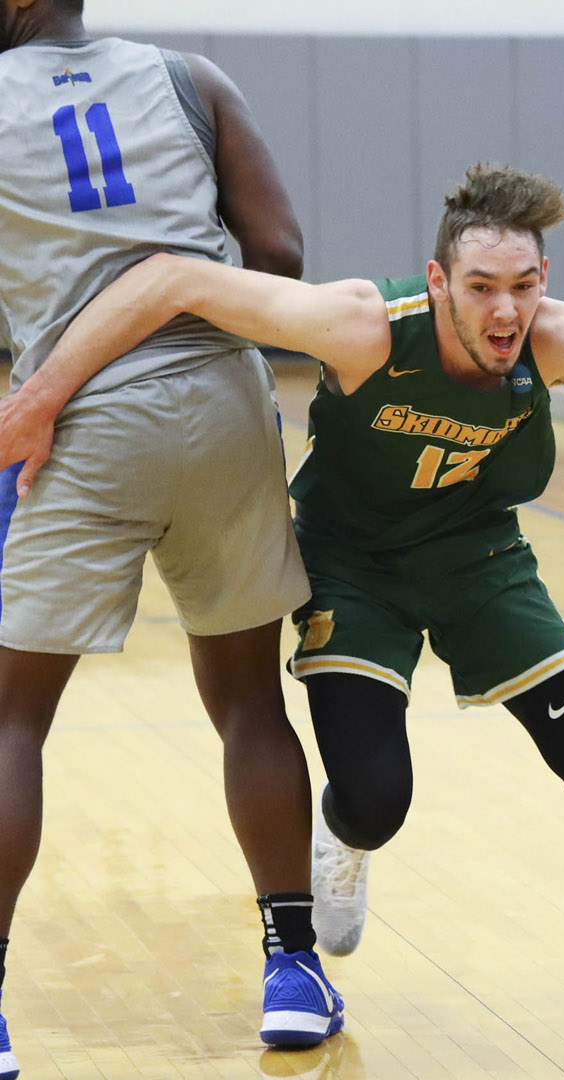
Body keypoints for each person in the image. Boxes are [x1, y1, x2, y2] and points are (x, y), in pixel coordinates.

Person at [6, 164, 564, 1018]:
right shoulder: (363, 326)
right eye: (481, 288)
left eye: (523, 285)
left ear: (545, 279)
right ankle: (344, 840)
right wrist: (40, 397)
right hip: (352, 566)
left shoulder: (560, 336)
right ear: (439, 281)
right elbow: (173, 278)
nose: (506, 311)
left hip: (477, 556)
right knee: (376, 800)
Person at [0, 0, 342, 1061]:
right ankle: (294, 969)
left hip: (76, 419)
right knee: (248, 701)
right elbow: (278, 253)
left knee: (11, 720)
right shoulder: (191, 79)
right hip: (224, 403)